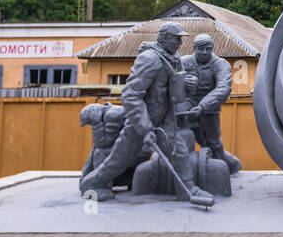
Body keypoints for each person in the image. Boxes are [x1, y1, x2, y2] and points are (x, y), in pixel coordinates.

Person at [79, 22, 212, 206]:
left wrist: (189, 86)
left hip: (165, 121)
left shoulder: (173, 58)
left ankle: (188, 190)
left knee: (178, 153)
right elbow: (131, 94)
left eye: (181, 38)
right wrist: (144, 127)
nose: (180, 42)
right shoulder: (150, 59)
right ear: (164, 37)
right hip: (142, 122)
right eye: (176, 38)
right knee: (120, 158)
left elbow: (174, 92)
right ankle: (91, 184)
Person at [181, 33, 241, 174]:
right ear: (194, 48)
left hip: (209, 106)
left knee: (212, 141)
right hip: (188, 102)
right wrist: (183, 82)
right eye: (201, 49)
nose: (204, 52)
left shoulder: (220, 64)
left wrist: (202, 107)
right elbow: (170, 81)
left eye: (208, 48)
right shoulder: (183, 62)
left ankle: (223, 169)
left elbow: (223, 88)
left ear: (212, 48)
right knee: (181, 132)